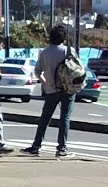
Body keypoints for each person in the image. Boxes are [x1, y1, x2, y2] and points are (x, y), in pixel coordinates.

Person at [26, 25, 75, 157]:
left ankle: (36, 146)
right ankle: (62, 148)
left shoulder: (45, 52)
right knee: (64, 118)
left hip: (51, 90)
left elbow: (37, 71)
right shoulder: (69, 51)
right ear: (63, 38)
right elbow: (77, 69)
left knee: (45, 118)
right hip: (67, 89)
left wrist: (46, 83)